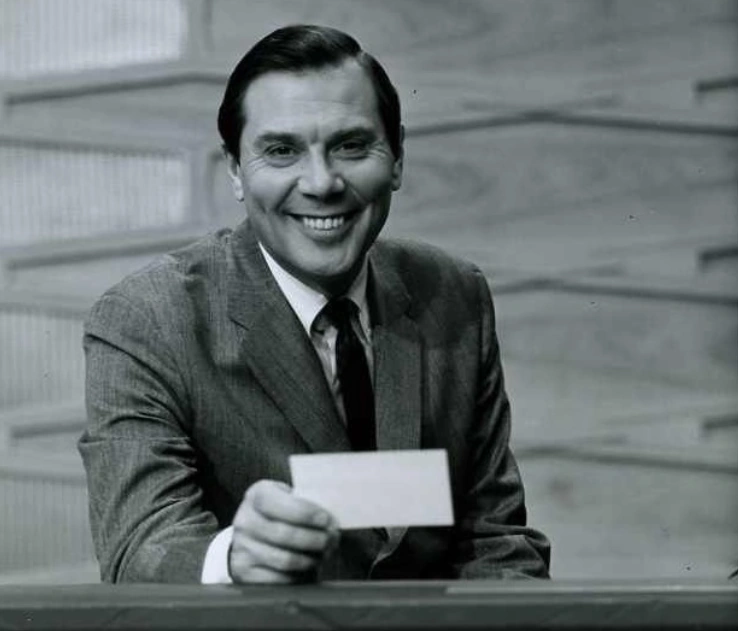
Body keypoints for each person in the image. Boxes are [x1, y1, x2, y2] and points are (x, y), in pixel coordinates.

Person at [78, 24, 551, 584]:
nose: (322, 183)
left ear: (398, 157)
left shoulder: (453, 293)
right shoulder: (148, 318)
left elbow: (494, 541)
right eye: (281, 151)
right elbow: (139, 548)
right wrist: (233, 556)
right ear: (235, 170)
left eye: (351, 146)